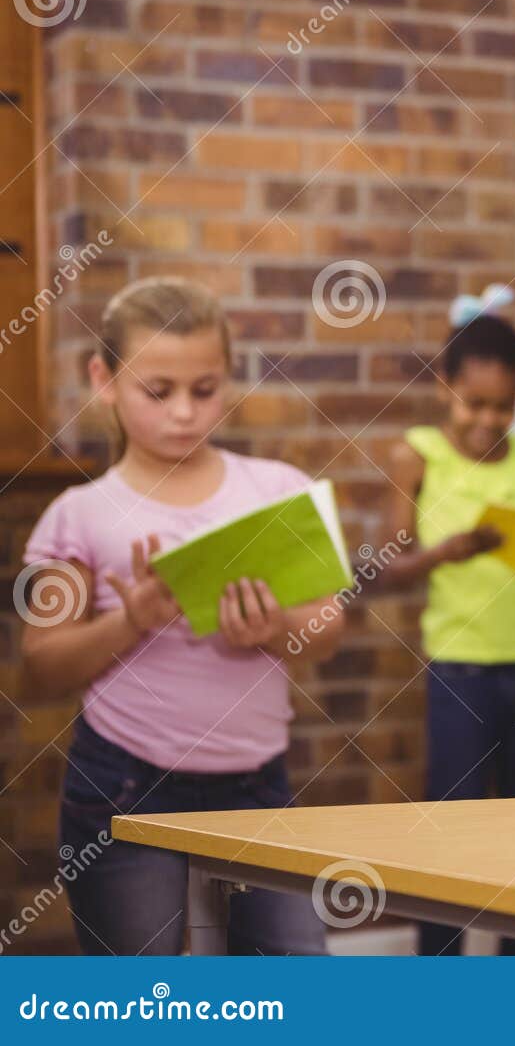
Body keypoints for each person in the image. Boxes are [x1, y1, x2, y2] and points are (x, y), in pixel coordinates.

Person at [21, 277, 345, 954]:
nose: (185, 413)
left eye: (206, 389)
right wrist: (130, 620)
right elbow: (41, 662)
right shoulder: (75, 516)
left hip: (260, 785)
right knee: (148, 1001)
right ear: (104, 378)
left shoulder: (274, 491)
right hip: (124, 786)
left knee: (300, 977)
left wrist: (277, 629)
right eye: (158, 390)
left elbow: (328, 627)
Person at [377, 287, 515, 955]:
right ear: (445, 387)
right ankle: (442, 969)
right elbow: (384, 567)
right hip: (461, 665)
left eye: (504, 406)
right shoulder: (418, 454)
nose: (489, 420)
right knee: (451, 828)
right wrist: (448, 550)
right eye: (474, 402)